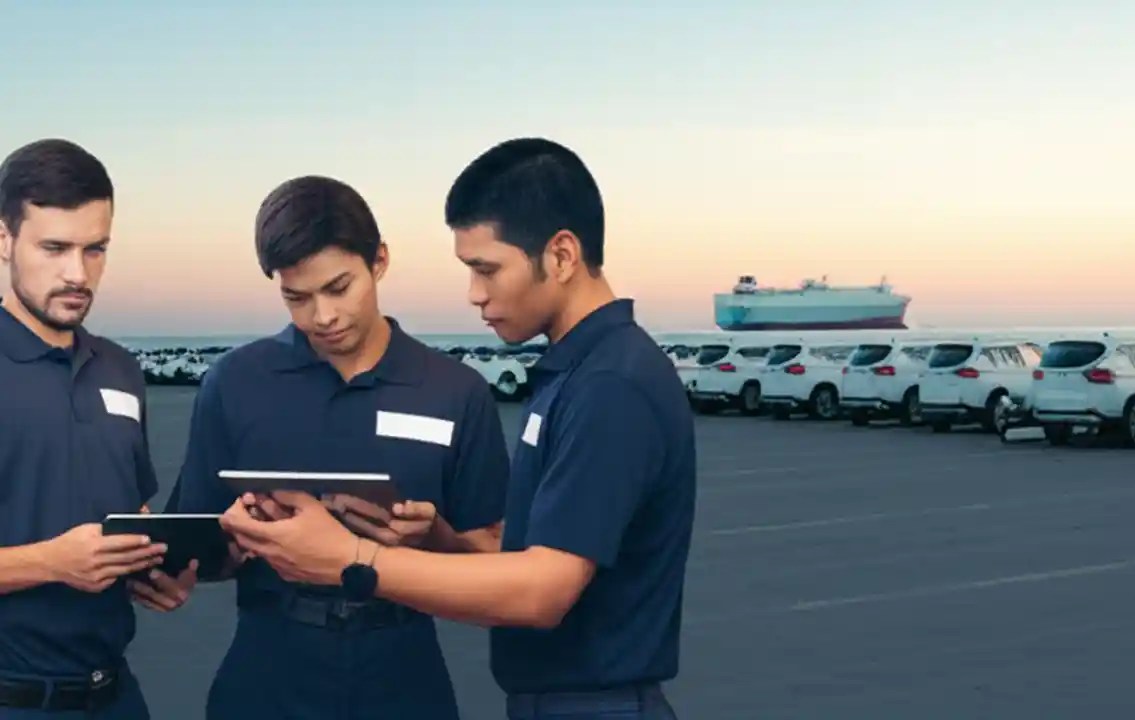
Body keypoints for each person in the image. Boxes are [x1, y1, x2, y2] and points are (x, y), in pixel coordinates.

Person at [221, 138, 696, 720]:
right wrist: (440, 541)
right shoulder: (576, 374)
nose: (475, 294)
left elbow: (542, 591)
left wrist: (351, 556)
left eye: (487, 269)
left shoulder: (610, 385)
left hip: (598, 704)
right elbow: (523, 555)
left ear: (563, 255)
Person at [164, 174, 510, 720]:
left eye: (339, 288)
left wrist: (436, 538)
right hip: (267, 676)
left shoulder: (455, 391)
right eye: (296, 298)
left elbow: (497, 564)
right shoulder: (234, 382)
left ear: (379, 262)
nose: (321, 317)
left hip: (404, 676)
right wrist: (228, 542)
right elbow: (194, 554)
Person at [0, 139, 192, 719]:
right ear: (4, 240)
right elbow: (63, 553)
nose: (78, 273)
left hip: (116, 696)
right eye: (55, 248)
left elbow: (128, 510)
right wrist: (50, 564)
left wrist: (154, 566)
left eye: (96, 249)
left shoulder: (121, 369)